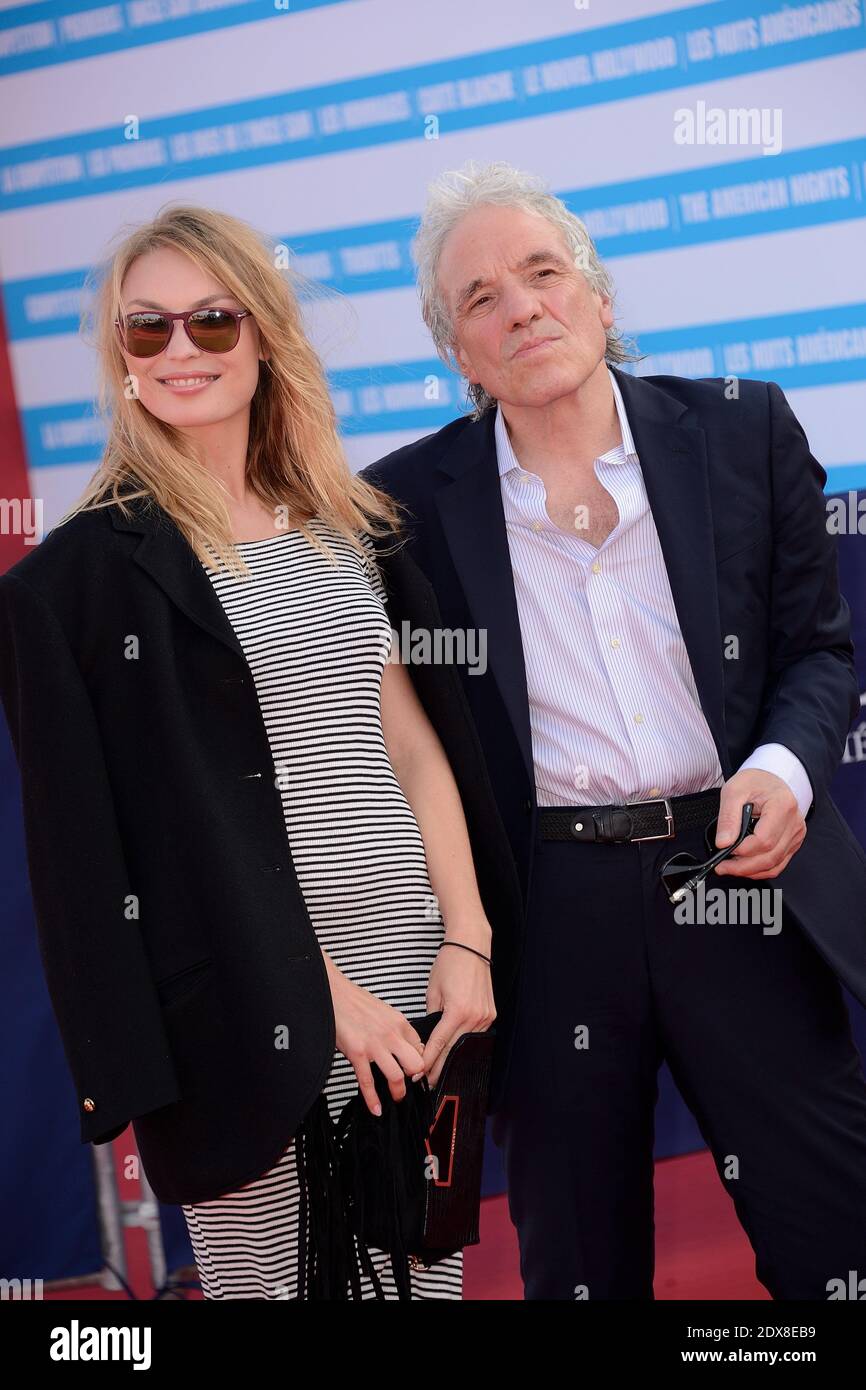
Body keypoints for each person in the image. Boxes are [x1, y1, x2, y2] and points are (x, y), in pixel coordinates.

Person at [361, 160, 866, 1300]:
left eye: (542, 273)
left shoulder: (740, 431)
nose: (520, 306)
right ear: (458, 351)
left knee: (835, 1241)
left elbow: (816, 650)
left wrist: (783, 768)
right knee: (579, 1267)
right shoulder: (395, 512)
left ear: (597, 300)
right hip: (551, 914)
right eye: (479, 297)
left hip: (736, 875)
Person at [0, 203, 523, 1299]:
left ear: (264, 335)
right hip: (245, 1013)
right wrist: (315, 990)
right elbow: (143, 850)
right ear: (120, 357)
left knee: (419, 1288)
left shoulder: (352, 526)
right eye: (148, 330)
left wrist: (468, 942)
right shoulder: (82, 585)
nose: (180, 350)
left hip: (415, 980)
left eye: (210, 320)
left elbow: (415, 751)